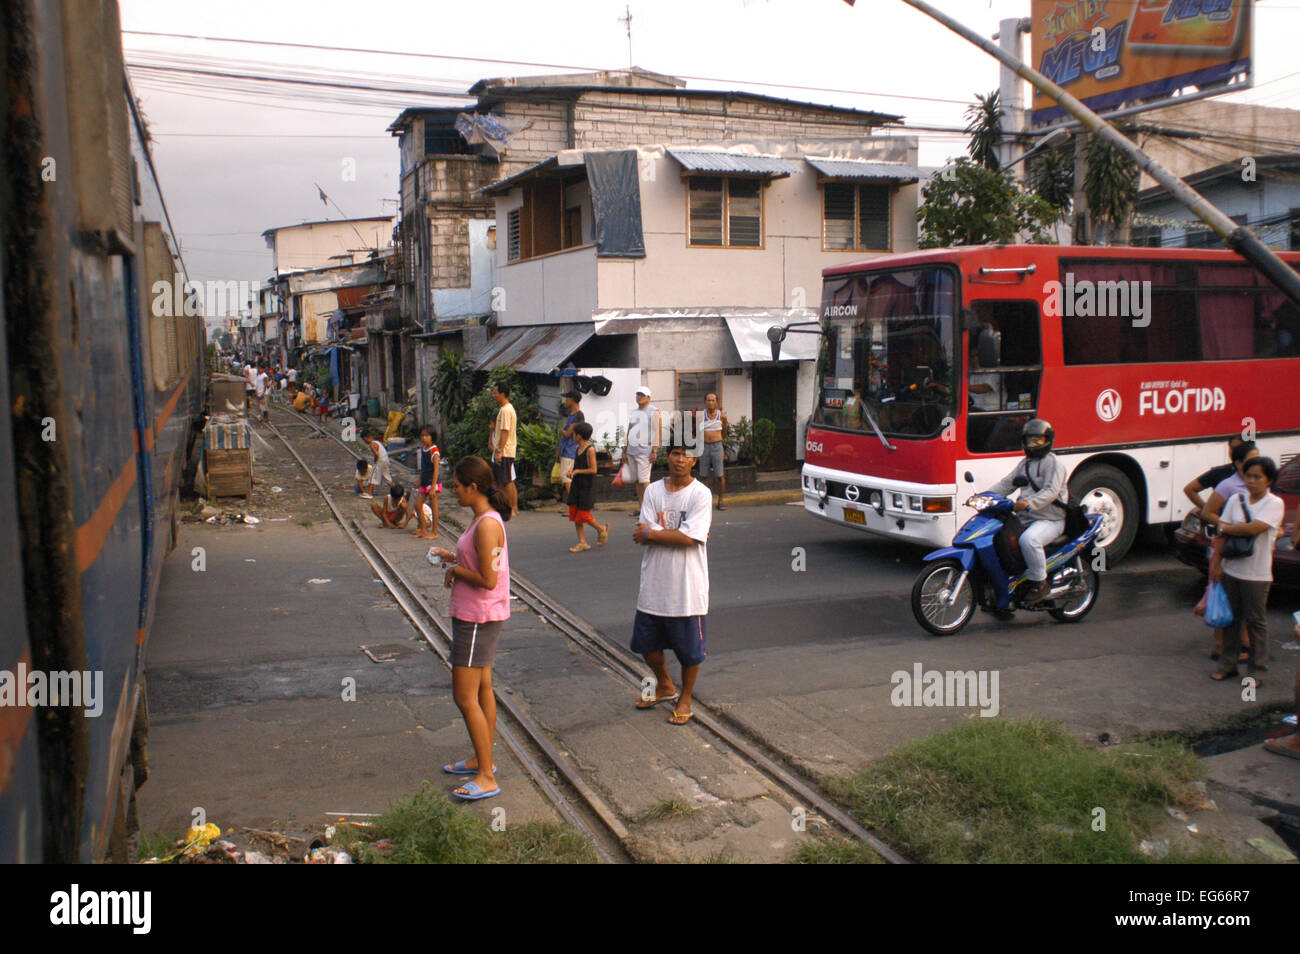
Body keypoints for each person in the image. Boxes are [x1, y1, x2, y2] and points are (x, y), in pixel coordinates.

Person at [427, 457, 511, 801]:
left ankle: (487, 775)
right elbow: (479, 562)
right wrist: (454, 558)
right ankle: (482, 758)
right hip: (476, 616)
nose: (454, 491)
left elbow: (489, 580)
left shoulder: (488, 524)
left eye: (458, 486)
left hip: (477, 617)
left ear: (472, 487)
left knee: (464, 695)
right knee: (483, 690)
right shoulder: (482, 519)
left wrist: (457, 571)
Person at [630, 431, 713, 726]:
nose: (681, 459)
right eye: (676, 453)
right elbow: (645, 528)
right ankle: (664, 685)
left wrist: (653, 534)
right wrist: (669, 535)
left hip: (687, 588)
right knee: (645, 645)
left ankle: (685, 697)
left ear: (695, 460)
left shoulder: (700, 494)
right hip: (654, 584)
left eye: (687, 455)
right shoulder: (653, 491)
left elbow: (689, 538)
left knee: (690, 652)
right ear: (668, 456)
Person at [1210, 457, 1284, 687]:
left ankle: (1257, 671)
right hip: (1232, 570)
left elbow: (1254, 528)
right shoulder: (1235, 499)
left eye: (1257, 477)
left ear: (1269, 480)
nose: (1251, 481)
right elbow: (1221, 535)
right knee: (1231, 621)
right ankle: (1227, 665)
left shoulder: (1274, 503)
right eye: (1248, 476)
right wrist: (1216, 564)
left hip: (1257, 574)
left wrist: (1228, 527)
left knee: (1255, 623)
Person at [986, 418, 1067, 603]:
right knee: (1000, 536)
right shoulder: (1024, 464)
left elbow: (1051, 492)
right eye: (1030, 440)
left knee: (1029, 540)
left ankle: (1040, 582)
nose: (1034, 444)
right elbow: (1006, 484)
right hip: (1026, 518)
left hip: (1051, 519)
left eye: (1038, 440)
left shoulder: (1055, 464)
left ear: (1048, 440)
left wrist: (1028, 503)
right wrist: (985, 497)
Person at [1201, 440, 1259, 661]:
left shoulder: (1260, 486)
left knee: (1245, 600)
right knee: (1222, 594)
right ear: (1238, 463)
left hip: (1251, 550)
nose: (1256, 463)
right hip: (1227, 545)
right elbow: (1208, 512)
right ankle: (1220, 646)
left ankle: (1243, 645)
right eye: (1250, 459)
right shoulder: (1229, 485)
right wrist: (1231, 527)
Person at [566, 421, 609, 552]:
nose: (573, 436)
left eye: (574, 434)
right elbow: (577, 465)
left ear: (579, 435)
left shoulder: (590, 449)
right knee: (574, 514)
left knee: (583, 515)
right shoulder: (577, 448)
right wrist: (572, 471)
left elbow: (593, 469)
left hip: (586, 486)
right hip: (576, 484)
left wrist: (578, 471)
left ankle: (601, 528)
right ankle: (582, 542)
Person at [1182, 436, 1248, 515]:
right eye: (1231, 448)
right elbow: (1189, 489)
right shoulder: (1219, 472)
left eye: (1238, 448)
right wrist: (1208, 510)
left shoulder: (1259, 471)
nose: (1233, 452)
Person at [624, 385, 660, 515]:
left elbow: (657, 431)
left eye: (642, 395)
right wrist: (625, 449)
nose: (639, 397)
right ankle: (641, 507)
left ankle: (651, 509)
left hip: (645, 451)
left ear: (648, 397)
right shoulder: (634, 412)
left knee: (644, 481)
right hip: (632, 451)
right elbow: (629, 430)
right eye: (637, 394)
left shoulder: (654, 411)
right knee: (637, 481)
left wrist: (655, 450)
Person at [490, 381, 518, 518]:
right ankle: (503, 506)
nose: (493, 395)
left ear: (502, 394)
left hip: (505, 451)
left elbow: (505, 431)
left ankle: (513, 507)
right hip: (503, 451)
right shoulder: (504, 409)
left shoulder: (506, 410)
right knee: (501, 481)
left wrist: (499, 451)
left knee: (507, 481)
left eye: (495, 392)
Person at [698, 392, 728, 511]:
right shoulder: (701, 416)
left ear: (716, 402)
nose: (710, 402)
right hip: (704, 446)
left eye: (713, 400)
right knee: (703, 475)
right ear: (705, 402)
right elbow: (697, 431)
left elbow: (725, 430)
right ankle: (704, 502)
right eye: (708, 400)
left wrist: (718, 439)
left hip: (717, 446)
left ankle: (720, 501)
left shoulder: (722, 416)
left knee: (720, 475)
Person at [412, 427, 441, 541]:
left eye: (427, 436)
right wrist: (419, 480)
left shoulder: (434, 451)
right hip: (424, 482)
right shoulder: (423, 449)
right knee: (417, 505)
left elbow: (436, 470)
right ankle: (423, 529)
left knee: (434, 506)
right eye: (422, 435)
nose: (424, 438)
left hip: (432, 483)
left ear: (432, 437)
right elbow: (423, 467)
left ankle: (434, 532)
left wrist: (433, 487)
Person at [556, 392, 585, 496]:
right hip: (566, 450)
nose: (566, 401)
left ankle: (572, 506)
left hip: (570, 451)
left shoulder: (578, 415)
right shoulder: (571, 415)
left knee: (567, 479)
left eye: (567, 398)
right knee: (567, 478)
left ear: (572, 399)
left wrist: (562, 430)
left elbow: (568, 434)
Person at [360, 431, 391, 500]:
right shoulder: (377, 442)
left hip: (380, 461)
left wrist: (375, 460)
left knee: (373, 477)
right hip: (386, 460)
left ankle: (369, 493)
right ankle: (394, 490)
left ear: (366, 438)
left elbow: (377, 454)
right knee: (387, 477)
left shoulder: (372, 444)